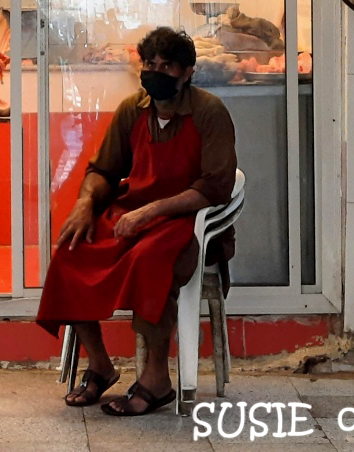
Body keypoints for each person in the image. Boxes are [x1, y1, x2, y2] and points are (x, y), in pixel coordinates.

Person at [36, 26, 238, 416]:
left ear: (188, 72)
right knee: (71, 251)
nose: (156, 72)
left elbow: (215, 187)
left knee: (150, 261)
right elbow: (104, 170)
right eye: (150, 64)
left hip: (187, 220)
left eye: (167, 66)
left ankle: (156, 381)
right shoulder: (133, 109)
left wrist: (152, 211)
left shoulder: (209, 113)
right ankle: (100, 365)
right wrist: (85, 201)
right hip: (133, 214)